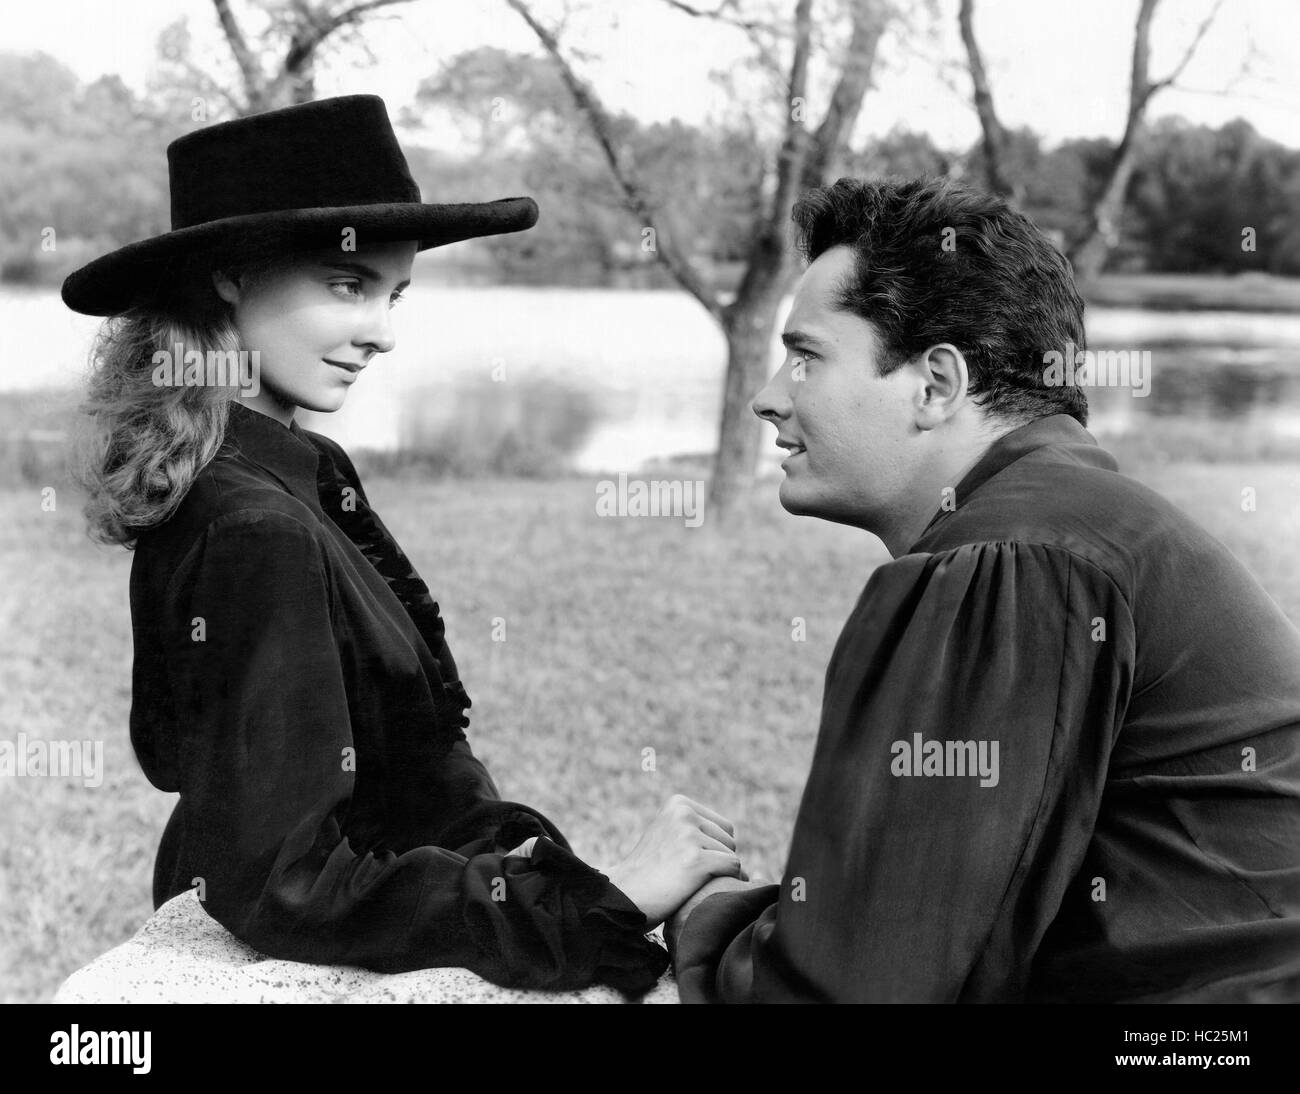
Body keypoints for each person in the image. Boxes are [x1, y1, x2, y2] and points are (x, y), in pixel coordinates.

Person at [66, 94, 743, 996]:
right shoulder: (250, 525)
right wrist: (589, 904)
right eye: (348, 287)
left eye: (394, 293)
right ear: (231, 273)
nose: (382, 331)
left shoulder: (302, 469)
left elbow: (420, 770)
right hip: (306, 932)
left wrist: (554, 875)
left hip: (390, 881)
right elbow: (281, 877)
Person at [668, 176, 1300, 1003]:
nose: (768, 397)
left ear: (936, 385)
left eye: (806, 357)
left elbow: (856, 987)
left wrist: (701, 911)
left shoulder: (1016, 557)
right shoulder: (1065, 522)